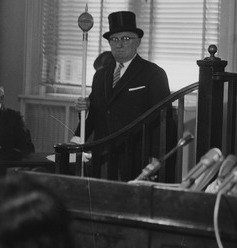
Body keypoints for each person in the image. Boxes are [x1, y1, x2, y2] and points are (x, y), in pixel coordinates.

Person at [73, 11, 171, 172]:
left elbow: (163, 119)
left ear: (138, 41)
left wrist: (156, 156)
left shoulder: (153, 73)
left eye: (126, 39)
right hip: (104, 154)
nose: (119, 44)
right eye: (114, 39)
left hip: (137, 155)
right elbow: (95, 116)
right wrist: (84, 108)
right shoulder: (101, 76)